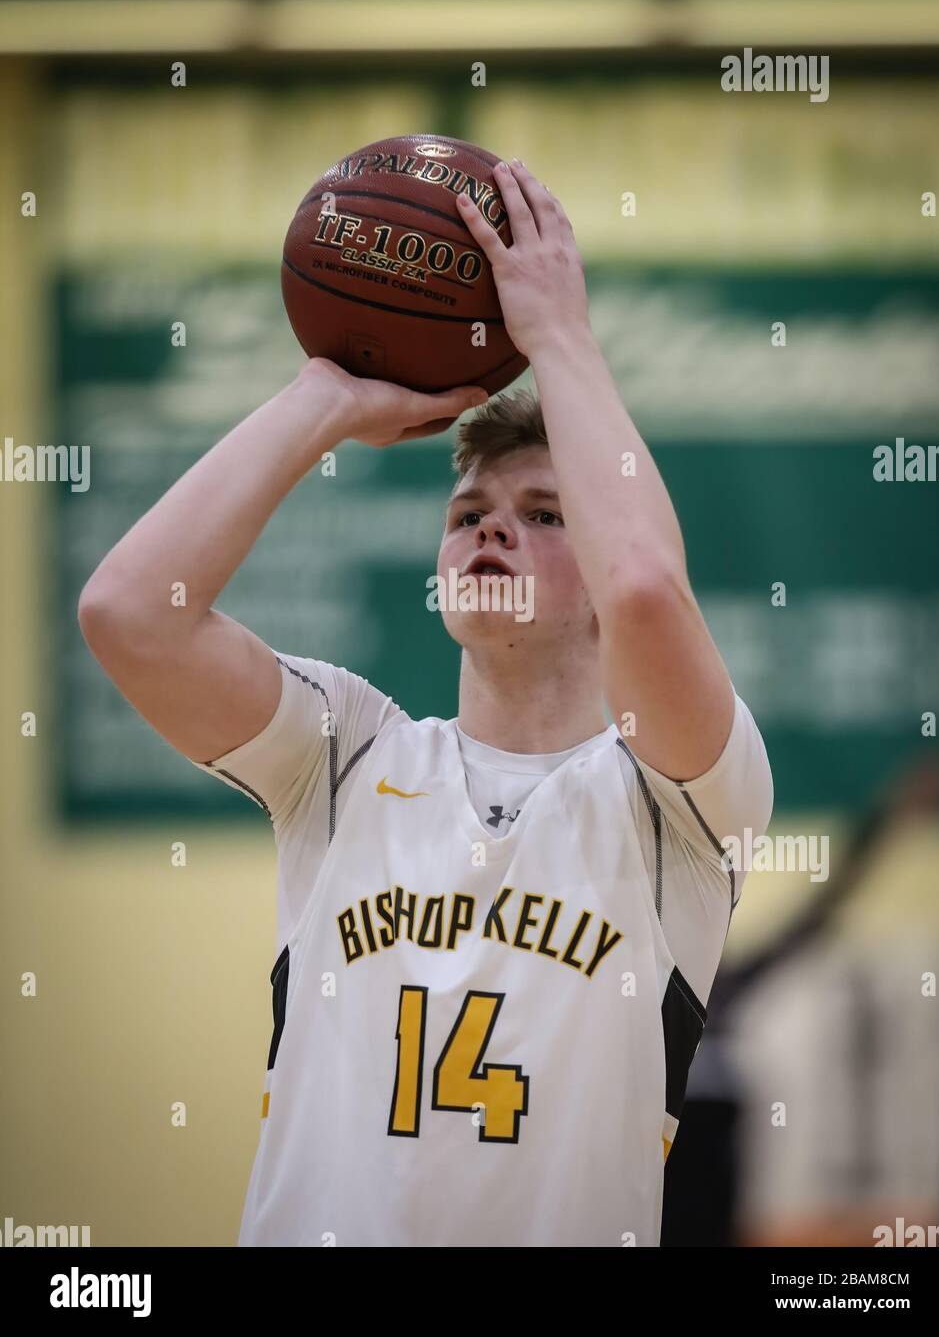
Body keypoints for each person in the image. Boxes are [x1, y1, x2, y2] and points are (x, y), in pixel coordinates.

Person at [78, 157, 773, 1247]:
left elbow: (643, 586)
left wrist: (563, 340)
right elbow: (129, 610)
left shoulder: (671, 802)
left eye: (546, 515)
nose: (491, 528)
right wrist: (325, 397)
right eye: (468, 512)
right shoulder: (346, 753)